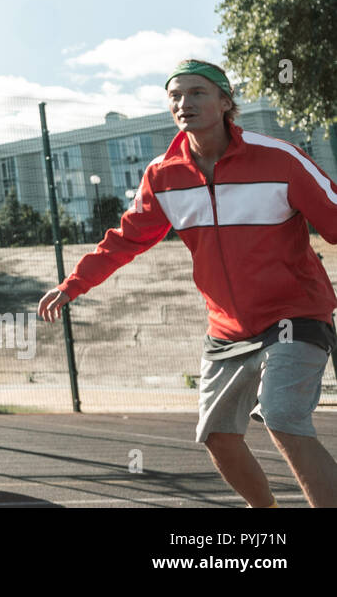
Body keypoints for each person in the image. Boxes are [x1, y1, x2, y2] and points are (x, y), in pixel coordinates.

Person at [38, 59, 337, 507]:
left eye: (197, 93)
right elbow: (125, 239)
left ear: (224, 102)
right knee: (218, 436)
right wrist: (73, 284)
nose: (184, 103)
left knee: (281, 415)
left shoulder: (279, 158)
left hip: (295, 315)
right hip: (227, 328)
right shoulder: (163, 174)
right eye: (175, 96)